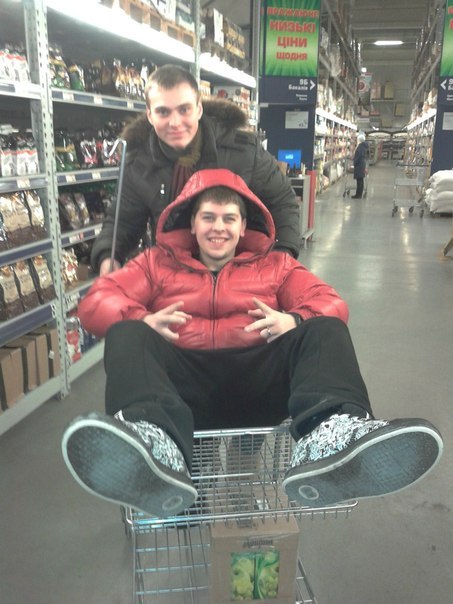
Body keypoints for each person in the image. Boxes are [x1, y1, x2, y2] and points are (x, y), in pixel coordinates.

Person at [62, 168, 443, 518]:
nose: (218, 228)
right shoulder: (155, 264)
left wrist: (293, 319)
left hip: (256, 387)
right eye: (208, 217)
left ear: (244, 226)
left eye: (229, 218)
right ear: (191, 223)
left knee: (325, 328)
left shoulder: (276, 266)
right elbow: (94, 304)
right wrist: (142, 318)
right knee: (128, 332)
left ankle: (330, 434)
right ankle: (154, 443)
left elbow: (331, 302)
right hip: (180, 392)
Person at [91, 64, 301, 276]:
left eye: (184, 110)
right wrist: (109, 257)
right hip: (172, 278)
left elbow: (282, 202)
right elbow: (123, 222)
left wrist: (282, 257)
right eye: (163, 112)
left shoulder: (243, 152)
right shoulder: (139, 163)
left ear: (199, 109)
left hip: (240, 275)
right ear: (149, 115)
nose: (175, 122)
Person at [351, 132, 368, 199]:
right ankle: (359, 194)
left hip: (359, 165)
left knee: (359, 180)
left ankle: (358, 195)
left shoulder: (360, 147)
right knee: (360, 179)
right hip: (361, 164)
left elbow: (358, 156)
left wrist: (354, 162)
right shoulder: (363, 146)